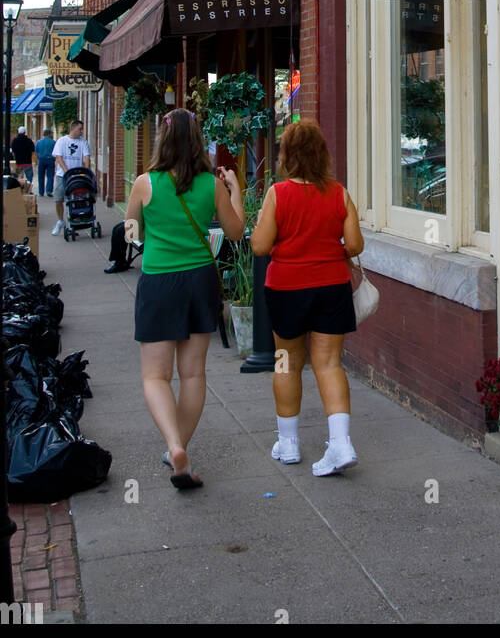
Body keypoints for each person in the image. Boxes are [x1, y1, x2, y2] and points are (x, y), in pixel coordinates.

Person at [125, 108, 244, 490]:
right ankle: (180, 447)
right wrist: (235, 190)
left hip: (158, 283)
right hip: (199, 281)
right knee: (193, 373)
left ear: (162, 140)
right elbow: (237, 233)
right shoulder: (211, 185)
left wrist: (152, 231)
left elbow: (129, 234)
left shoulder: (144, 184)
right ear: (197, 141)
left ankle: (174, 446)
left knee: (155, 375)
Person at [251, 118, 364, 476]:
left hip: (287, 287)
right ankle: (341, 443)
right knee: (329, 364)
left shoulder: (278, 194)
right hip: (332, 285)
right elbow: (356, 245)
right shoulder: (338, 192)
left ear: (286, 154)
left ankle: (288, 444)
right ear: (321, 154)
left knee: (286, 360)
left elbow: (260, 246)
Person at [52, 120, 91, 235]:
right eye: (80, 129)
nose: (81, 131)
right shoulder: (61, 141)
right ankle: (60, 221)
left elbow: (86, 158)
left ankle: (73, 221)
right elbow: (59, 158)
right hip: (62, 176)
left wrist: (86, 170)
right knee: (58, 199)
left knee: (75, 200)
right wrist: (66, 171)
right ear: (73, 128)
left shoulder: (83, 142)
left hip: (77, 177)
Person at [35, 127, 56, 197]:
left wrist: (37, 159)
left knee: (41, 176)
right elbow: (56, 152)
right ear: (49, 134)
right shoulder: (53, 142)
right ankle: (49, 190)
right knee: (50, 176)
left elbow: (36, 152)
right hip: (50, 160)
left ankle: (41, 192)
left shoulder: (39, 142)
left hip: (41, 159)